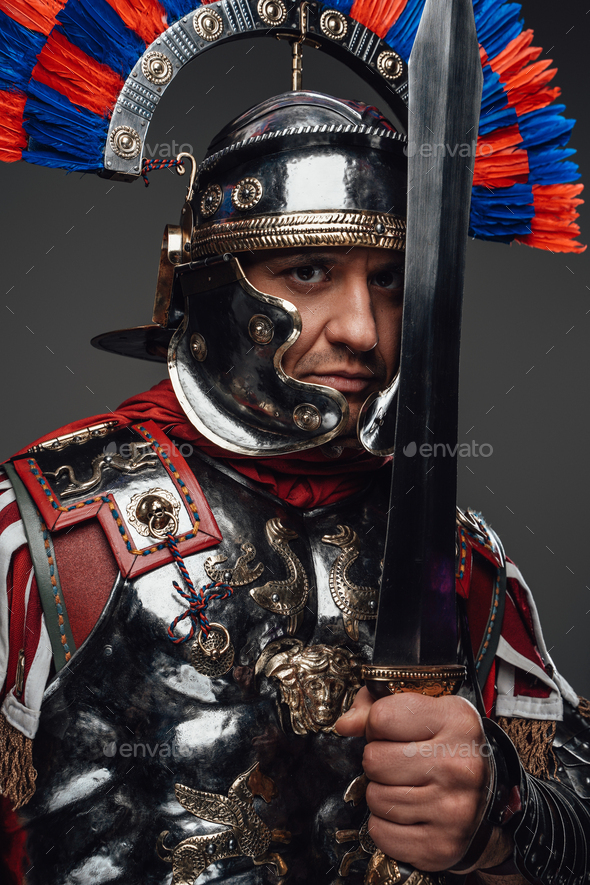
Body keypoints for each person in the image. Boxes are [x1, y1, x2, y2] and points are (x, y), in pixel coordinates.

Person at [0, 2, 588, 885]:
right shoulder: (45, 530)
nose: (361, 327)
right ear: (203, 279)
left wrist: (502, 818)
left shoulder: (463, 561)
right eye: (308, 270)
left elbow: (576, 822)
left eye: (389, 281)